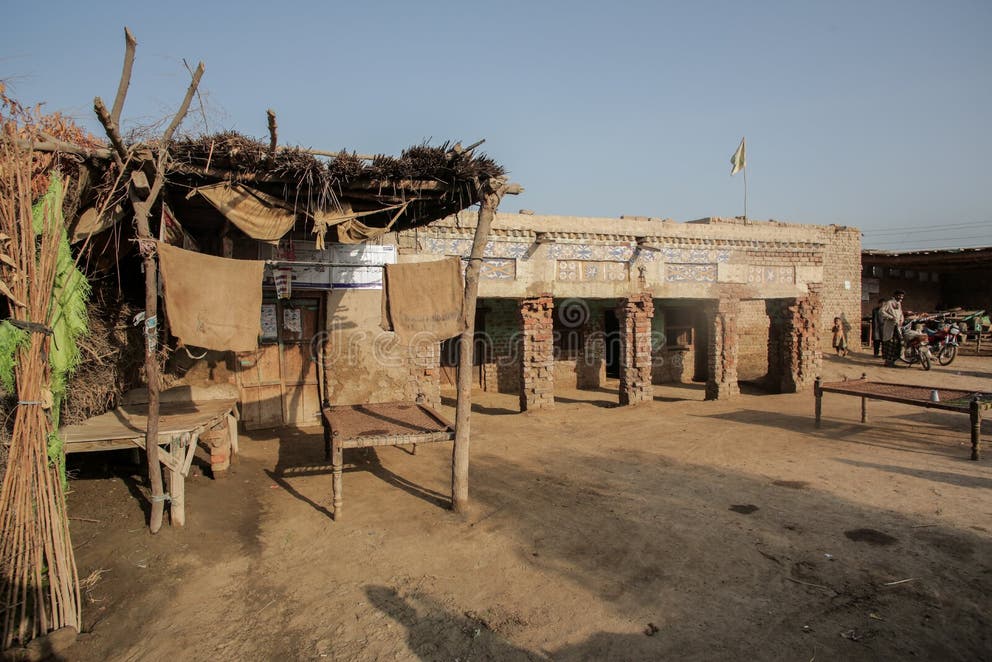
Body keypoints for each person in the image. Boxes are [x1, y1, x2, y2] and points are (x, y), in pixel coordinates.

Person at [879, 290, 906, 367]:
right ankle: (888, 362)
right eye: (899, 295)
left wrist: (901, 320)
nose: (901, 297)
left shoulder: (899, 304)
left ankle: (893, 361)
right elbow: (881, 311)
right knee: (889, 343)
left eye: (902, 296)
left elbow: (901, 314)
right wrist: (890, 317)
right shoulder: (889, 303)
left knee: (897, 344)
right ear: (895, 295)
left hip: (897, 327)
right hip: (890, 327)